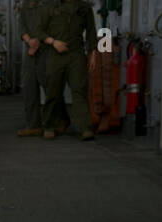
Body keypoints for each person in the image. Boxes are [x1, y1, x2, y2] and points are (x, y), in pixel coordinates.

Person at [33, 0, 97, 140]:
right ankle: (49, 125)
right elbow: (38, 31)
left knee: (79, 90)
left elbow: (91, 30)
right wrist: (53, 42)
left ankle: (84, 128)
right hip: (56, 54)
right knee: (53, 91)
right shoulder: (49, 7)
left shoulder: (84, 7)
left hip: (76, 53)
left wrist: (92, 53)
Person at [17, 0, 68, 136]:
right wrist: (29, 41)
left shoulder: (51, 4)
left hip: (47, 49)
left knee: (50, 86)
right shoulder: (26, 5)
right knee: (29, 86)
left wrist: (40, 41)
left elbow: (55, 26)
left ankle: (60, 120)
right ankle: (34, 125)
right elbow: (22, 26)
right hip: (30, 50)